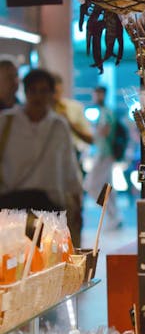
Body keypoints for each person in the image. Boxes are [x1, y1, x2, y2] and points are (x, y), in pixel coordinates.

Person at [0, 69, 83, 241]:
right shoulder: (6, 122)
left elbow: (70, 167)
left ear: (52, 94)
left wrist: (77, 205)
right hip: (12, 208)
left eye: (44, 91)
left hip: (50, 208)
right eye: (33, 90)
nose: (38, 96)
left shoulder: (59, 126)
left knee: (48, 261)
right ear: (25, 92)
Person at [83, 86, 120, 228]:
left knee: (91, 185)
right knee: (108, 187)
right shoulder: (106, 112)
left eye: (97, 95)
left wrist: (92, 132)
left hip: (104, 154)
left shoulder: (106, 112)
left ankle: (111, 214)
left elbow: (104, 132)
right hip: (104, 154)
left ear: (102, 95)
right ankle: (114, 217)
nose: (95, 98)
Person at [53, 74, 93, 168]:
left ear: (62, 89)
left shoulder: (74, 107)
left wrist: (69, 124)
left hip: (71, 158)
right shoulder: (41, 111)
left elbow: (90, 139)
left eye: (56, 92)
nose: (54, 96)